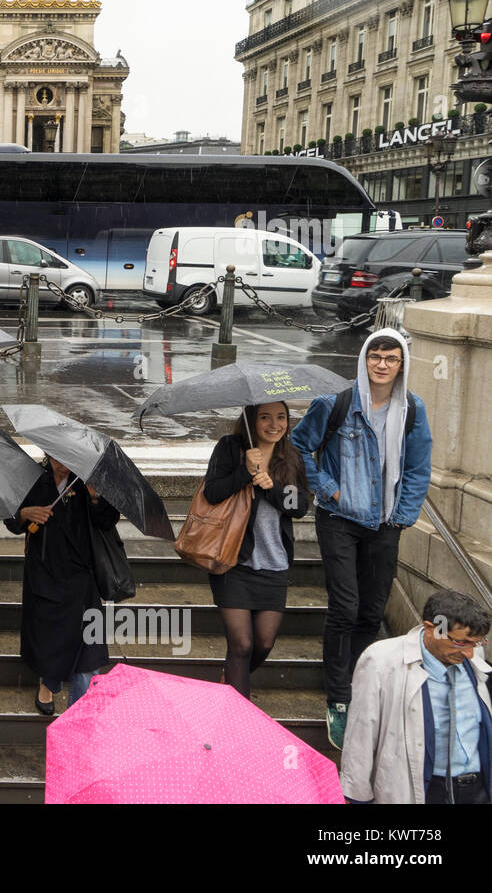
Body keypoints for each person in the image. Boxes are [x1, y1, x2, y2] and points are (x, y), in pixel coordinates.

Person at [291, 328, 433, 749]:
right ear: (364, 360)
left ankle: (358, 680)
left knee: (371, 610)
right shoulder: (336, 403)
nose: (383, 365)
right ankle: (338, 696)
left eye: (392, 358)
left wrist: (403, 516)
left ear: (402, 363)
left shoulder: (412, 410)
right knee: (345, 606)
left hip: (386, 523)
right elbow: (299, 446)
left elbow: (419, 467)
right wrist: (326, 487)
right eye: (376, 357)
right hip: (339, 518)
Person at [340, 589, 492, 804]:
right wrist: (356, 796)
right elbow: (361, 733)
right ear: (431, 629)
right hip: (423, 789)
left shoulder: (471, 654)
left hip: (477, 790)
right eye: (461, 642)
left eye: (476, 643)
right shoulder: (380, 660)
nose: (469, 653)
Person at [202, 402, 309, 699]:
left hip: (274, 564)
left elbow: (298, 506)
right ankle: (237, 716)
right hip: (233, 561)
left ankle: (230, 679)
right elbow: (212, 492)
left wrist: (270, 485)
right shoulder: (231, 448)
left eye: (281, 417)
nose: (274, 424)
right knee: (242, 645)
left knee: (263, 644)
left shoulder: (290, 456)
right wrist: (246, 472)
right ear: (251, 420)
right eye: (265, 417)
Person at [5, 455, 120, 714]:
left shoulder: (85, 480)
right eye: (57, 458)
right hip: (44, 572)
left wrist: (94, 496)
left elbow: (108, 520)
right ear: (47, 453)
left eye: (69, 458)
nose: (63, 464)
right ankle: (49, 682)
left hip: (82, 574)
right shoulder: (32, 477)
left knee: (89, 649)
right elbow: (10, 520)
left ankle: (77, 714)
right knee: (50, 636)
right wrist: (25, 513)